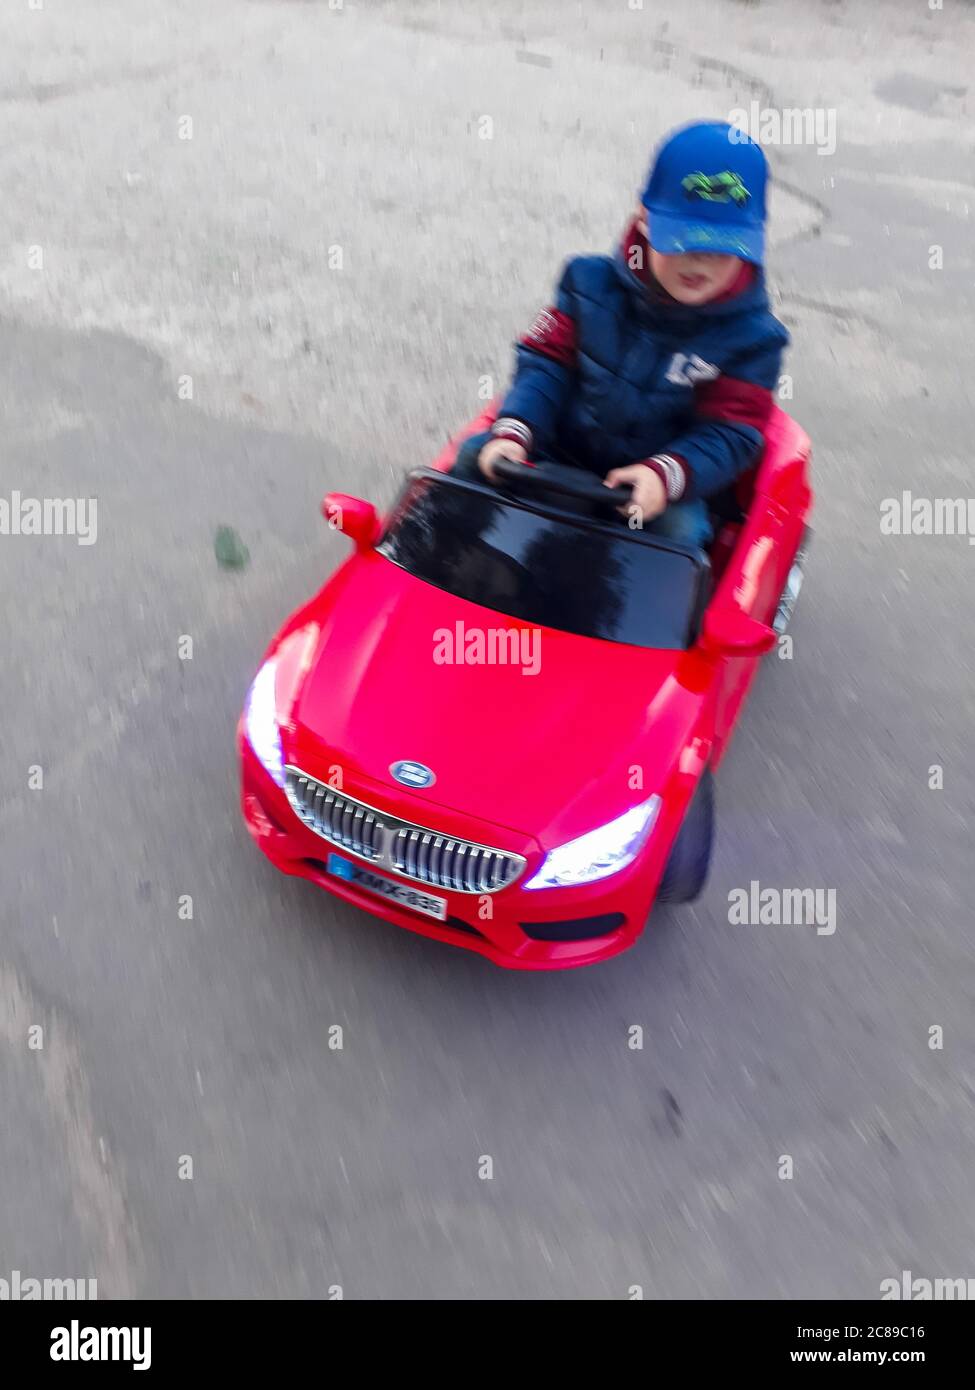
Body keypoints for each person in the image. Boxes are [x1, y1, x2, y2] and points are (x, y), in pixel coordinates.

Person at [451, 119, 789, 549]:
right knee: (472, 458)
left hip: (660, 480)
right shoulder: (586, 283)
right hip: (561, 450)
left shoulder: (754, 339)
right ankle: (450, 576)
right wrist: (517, 430)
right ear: (644, 219)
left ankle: (676, 611)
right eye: (683, 241)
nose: (699, 262)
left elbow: (732, 433)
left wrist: (665, 475)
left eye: (723, 250)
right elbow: (545, 366)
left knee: (681, 533)